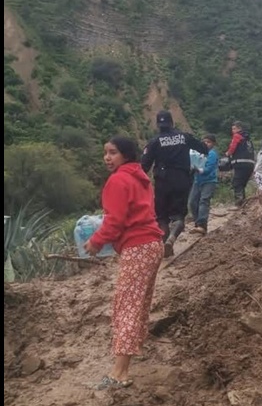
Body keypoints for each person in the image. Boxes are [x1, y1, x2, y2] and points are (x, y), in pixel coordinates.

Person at [83, 137, 165, 389]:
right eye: (105, 153)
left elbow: (115, 220)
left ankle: (119, 373)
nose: (107, 157)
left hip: (137, 247)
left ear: (126, 155)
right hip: (152, 244)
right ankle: (127, 359)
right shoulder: (140, 177)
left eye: (113, 153)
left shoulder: (118, 180)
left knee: (127, 306)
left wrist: (95, 241)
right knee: (137, 305)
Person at [141, 110, 207, 258]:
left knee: (162, 216)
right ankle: (172, 238)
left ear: (158, 125)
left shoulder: (154, 142)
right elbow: (203, 149)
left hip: (162, 182)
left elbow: (144, 166)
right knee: (178, 216)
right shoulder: (184, 137)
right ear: (172, 123)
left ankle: (165, 242)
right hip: (182, 180)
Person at [189, 134, 219, 235]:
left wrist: (199, 169)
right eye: (204, 141)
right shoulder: (198, 153)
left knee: (204, 201)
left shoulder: (212, 154)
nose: (206, 143)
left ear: (213, 144)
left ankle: (202, 225)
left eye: (208, 142)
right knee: (192, 202)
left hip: (209, 181)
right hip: (197, 180)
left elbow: (209, 168)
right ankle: (197, 223)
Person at [225, 121, 256, 207]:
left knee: (237, 183)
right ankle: (243, 203)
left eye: (234, 129)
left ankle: (239, 203)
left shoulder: (237, 136)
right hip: (250, 164)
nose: (233, 131)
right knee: (242, 184)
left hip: (240, 163)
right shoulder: (248, 140)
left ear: (239, 128)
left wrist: (227, 153)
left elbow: (232, 148)